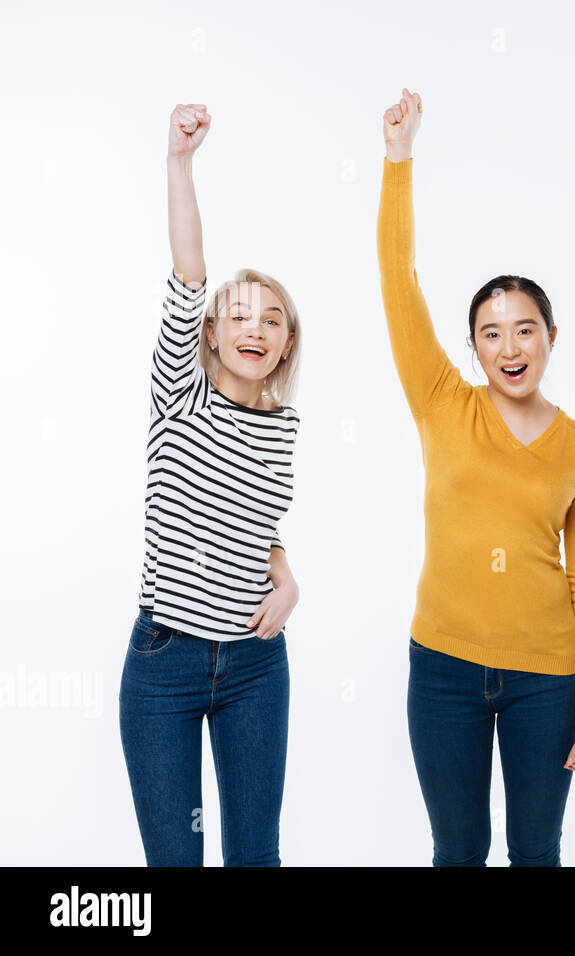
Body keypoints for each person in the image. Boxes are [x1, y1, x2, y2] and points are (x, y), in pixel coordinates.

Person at [378, 88, 575, 867]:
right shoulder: (443, 401)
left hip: (547, 682)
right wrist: (399, 160)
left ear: (551, 338)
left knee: (536, 851)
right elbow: (396, 273)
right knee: (457, 848)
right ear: (472, 347)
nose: (509, 348)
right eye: (490, 333)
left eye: (524, 330)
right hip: (441, 669)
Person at [120, 103, 302, 866]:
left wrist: (286, 576)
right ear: (214, 332)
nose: (254, 329)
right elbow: (190, 273)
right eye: (240, 316)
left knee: (256, 858)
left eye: (272, 320)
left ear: (287, 341)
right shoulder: (180, 392)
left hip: (257, 666)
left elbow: (252, 519)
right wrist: (180, 164)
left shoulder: (285, 426)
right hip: (167, 659)